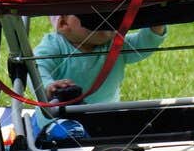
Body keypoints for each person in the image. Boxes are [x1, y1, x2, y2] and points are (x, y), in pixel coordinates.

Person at [36, 14, 168, 107]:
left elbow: (142, 45)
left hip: (105, 114)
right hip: (57, 119)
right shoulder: (55, 45)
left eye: (112, 12)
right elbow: (37, 68)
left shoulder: (116, 44)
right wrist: (48, 85)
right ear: (63, 23)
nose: (107, 18)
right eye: (93, 15)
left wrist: (156, 25)